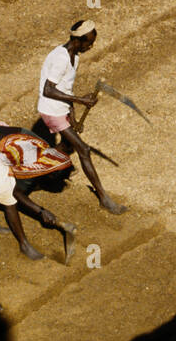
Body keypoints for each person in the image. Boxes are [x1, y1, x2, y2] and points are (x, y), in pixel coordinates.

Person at [35, 20, 125, 214]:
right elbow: (48, 90)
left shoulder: (74, 57)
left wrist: (73, 117)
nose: (91, 47)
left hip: (61, 109)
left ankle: (39, 172)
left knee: (67, 146)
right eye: (89, 43)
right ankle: (104, 198)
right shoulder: (61, 58)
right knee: (83, 149)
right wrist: (80, 100)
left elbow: (66, 89)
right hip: (51, 110)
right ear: (78, 40)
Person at [0, 121, 77, 263]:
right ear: (49, 174)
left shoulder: (45, 148)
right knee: (8, 198)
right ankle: (24, 245)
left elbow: (61, 147)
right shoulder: (31, 164)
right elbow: (16, 193)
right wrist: (41, 211)